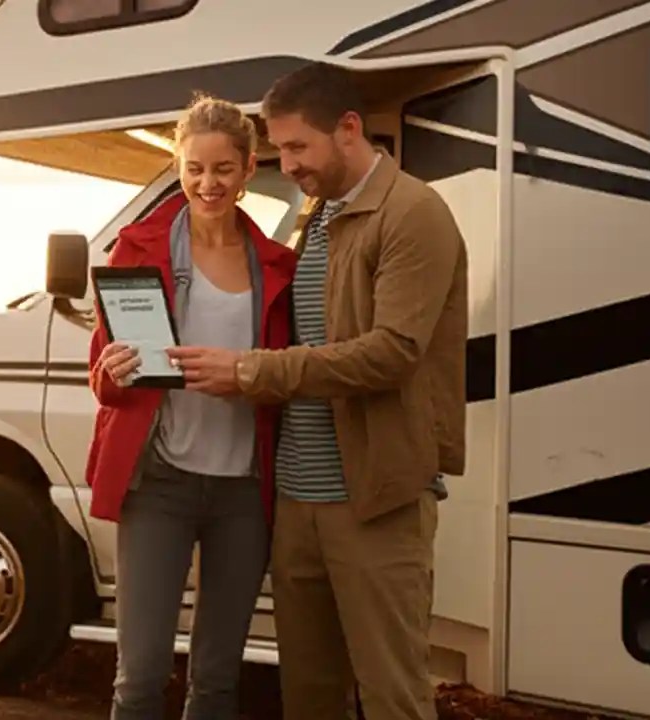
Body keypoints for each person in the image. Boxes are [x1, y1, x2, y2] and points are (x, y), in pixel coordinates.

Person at [167, 62, 469, 720]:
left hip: (375, 500)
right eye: (280, 151)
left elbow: (393, 353)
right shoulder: (315, 217)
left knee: (393, 695)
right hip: (298, 501)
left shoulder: (412, 212)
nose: (290, 164)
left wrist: (251, 371)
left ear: (349, 130)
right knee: (308, 697)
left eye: (298, 147)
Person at [84, 93, 297, 720]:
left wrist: (246, 377)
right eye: (194, 169)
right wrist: (113, 371)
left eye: (223, 170)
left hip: (243, 492)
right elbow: (103, 379)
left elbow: (287, 377)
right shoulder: (137, 249)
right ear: (180, 167)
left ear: (248, 167)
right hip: (160, 486)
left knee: (217, 680)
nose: (208, 184)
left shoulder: (277, 266)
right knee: (141, 677)